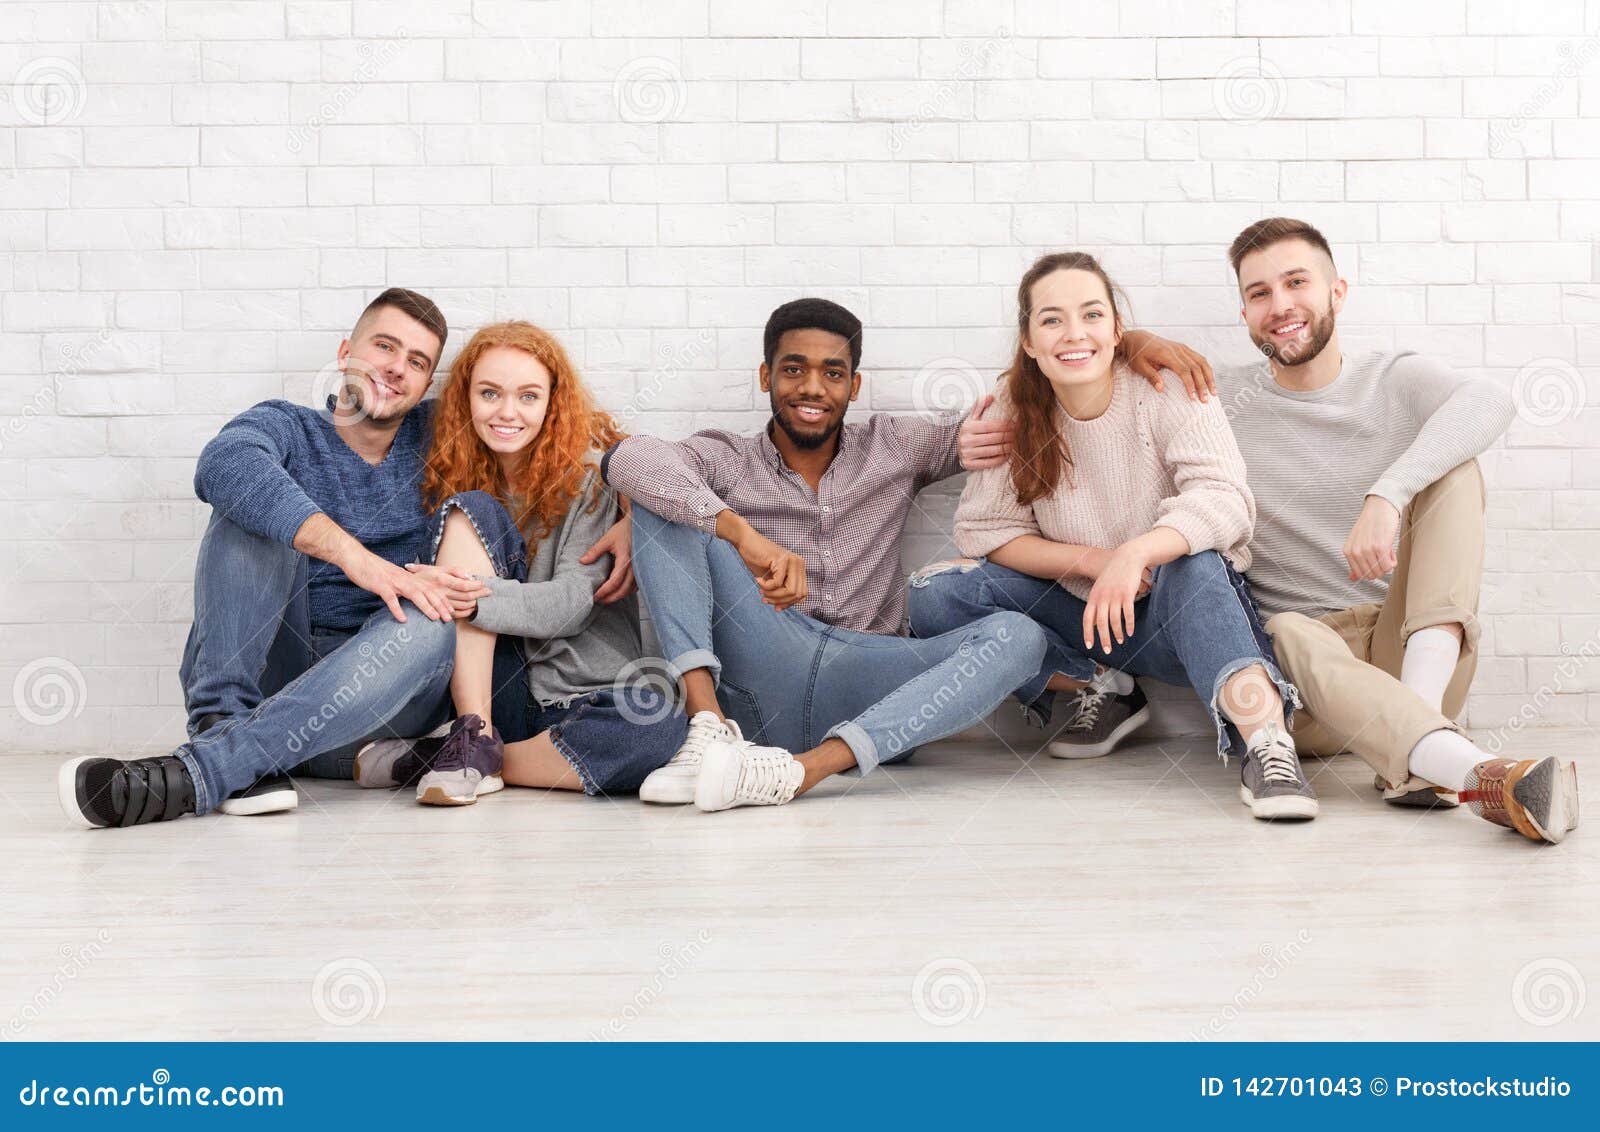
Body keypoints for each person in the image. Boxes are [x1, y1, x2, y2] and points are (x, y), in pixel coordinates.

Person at [961, 218, 1580, 845]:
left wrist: (1388, 494)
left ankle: (1418, 739)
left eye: (1296, 283)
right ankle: (1464, 769)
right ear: (1244, 311)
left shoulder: (1393, 377)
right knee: (1284, 628)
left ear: (1337, 290)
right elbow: (1097, 364)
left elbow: (1490, 403)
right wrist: (1130, 342)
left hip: (1409, 644)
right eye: (1259, 293)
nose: (1281, 306)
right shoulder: (1214, 395)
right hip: (1299, 673)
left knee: (1457, 470)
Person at [604, 297, 1210, 812]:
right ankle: (707, 731)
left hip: (874, 678)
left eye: (832, 373)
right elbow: (630, 457)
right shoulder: (725, 457)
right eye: (793, 370)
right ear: (766, 377)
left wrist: (1128, 344)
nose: (812, 388)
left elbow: (1032, 394)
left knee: (1014, 638)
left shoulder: (892, 445)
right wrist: (741, 534)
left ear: (854, 384)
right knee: (658, 501)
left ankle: (799, 773)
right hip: (764, 658)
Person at [58, 291, 632, 830]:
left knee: (435, 619)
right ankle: (223, 728)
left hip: (383, 694)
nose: (395, 368)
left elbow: (563, 432)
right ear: (345, 354)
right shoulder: (287, 426)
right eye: (384, 346)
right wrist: (355, 558)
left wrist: (637, 512)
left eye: (415, 361)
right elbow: (221, 466)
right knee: (248, 505)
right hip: (279, 673)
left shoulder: (443, 435)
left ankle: (209, 768)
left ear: (428, 384)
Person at [910, 252, 1315, 821]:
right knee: (937, 592)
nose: (1074, 334)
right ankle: (1099, 685)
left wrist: (1136, 552)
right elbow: (987, 532)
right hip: (1081, 617)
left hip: (1170, 617)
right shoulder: (1013, 407)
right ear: (1028, 340)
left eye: (1091, 315)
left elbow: (1225, 500)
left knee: (1199, 562)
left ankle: (1268, 745)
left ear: (1117, 330)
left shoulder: (1166, 385)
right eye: (1051, 320)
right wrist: (1093, 560)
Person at [352, 321, 687, 805]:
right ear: (466, 399)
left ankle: (450, 756)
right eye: (490, 393)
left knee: (660, 727)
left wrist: (470, 596)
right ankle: (474, 734)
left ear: (552, 403)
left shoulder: (590, 484)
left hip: (588, 696)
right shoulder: (450, 477)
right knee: (472, 506)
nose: (507, 412)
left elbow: (572, 605)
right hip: (498, 693)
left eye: (528, 396)